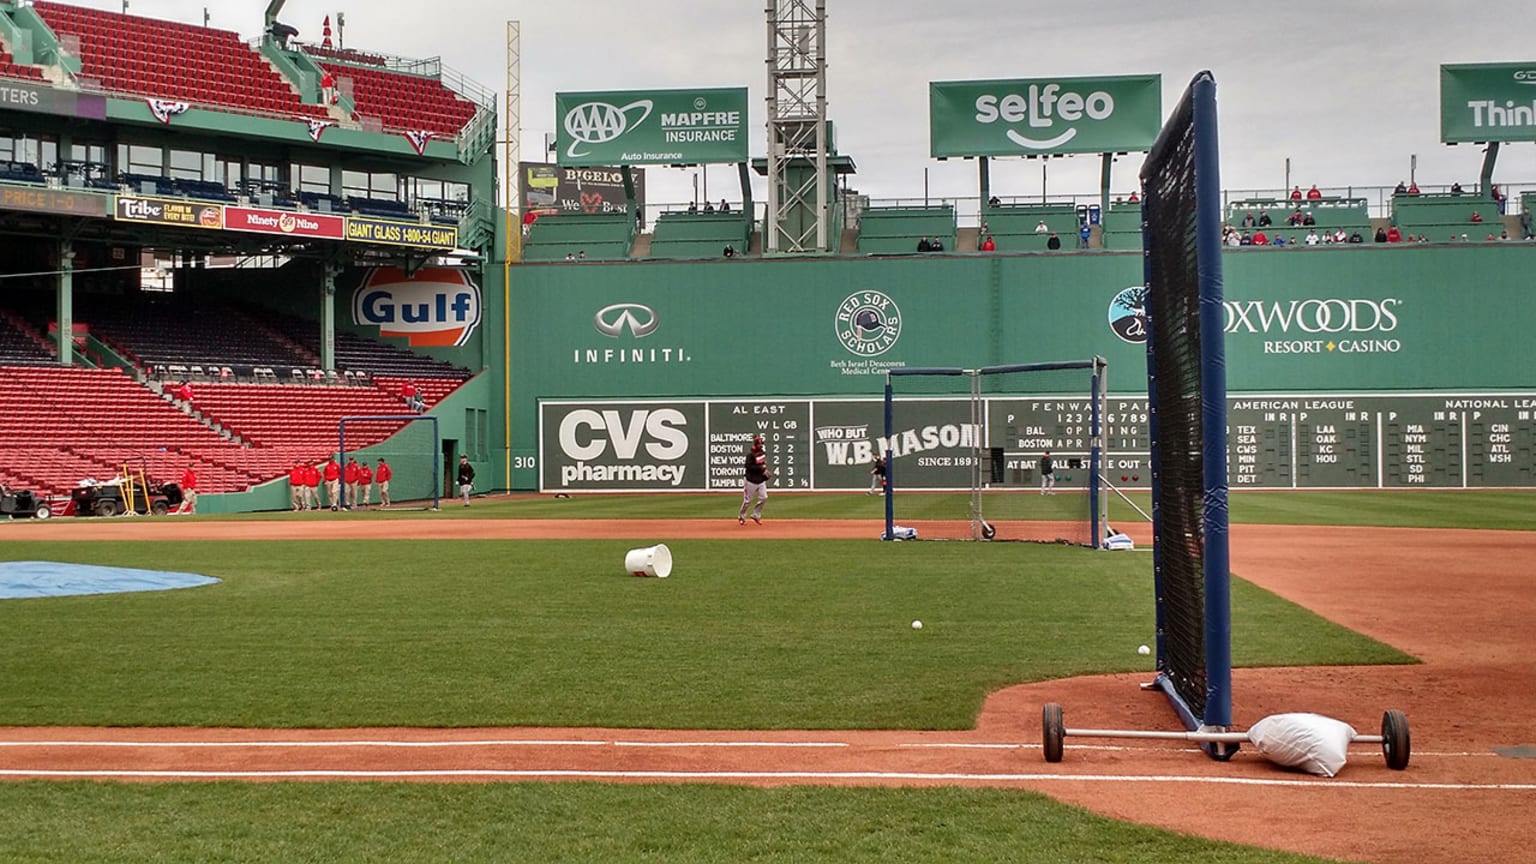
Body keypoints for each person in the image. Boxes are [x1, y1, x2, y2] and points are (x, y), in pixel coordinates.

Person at [738, 435, 770, 524]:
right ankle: (742, 516)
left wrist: (765, 473)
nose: (761, 445)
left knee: (764, 497)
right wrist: (760, 468)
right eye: (760, 444)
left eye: (761, 444)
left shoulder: (763, 453)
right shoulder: (750, 455)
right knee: (747, 501)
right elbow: (748, 466)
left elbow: (763, 465)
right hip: (750, 480)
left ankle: (756, 514)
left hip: (760, 480)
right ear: (756, 444)